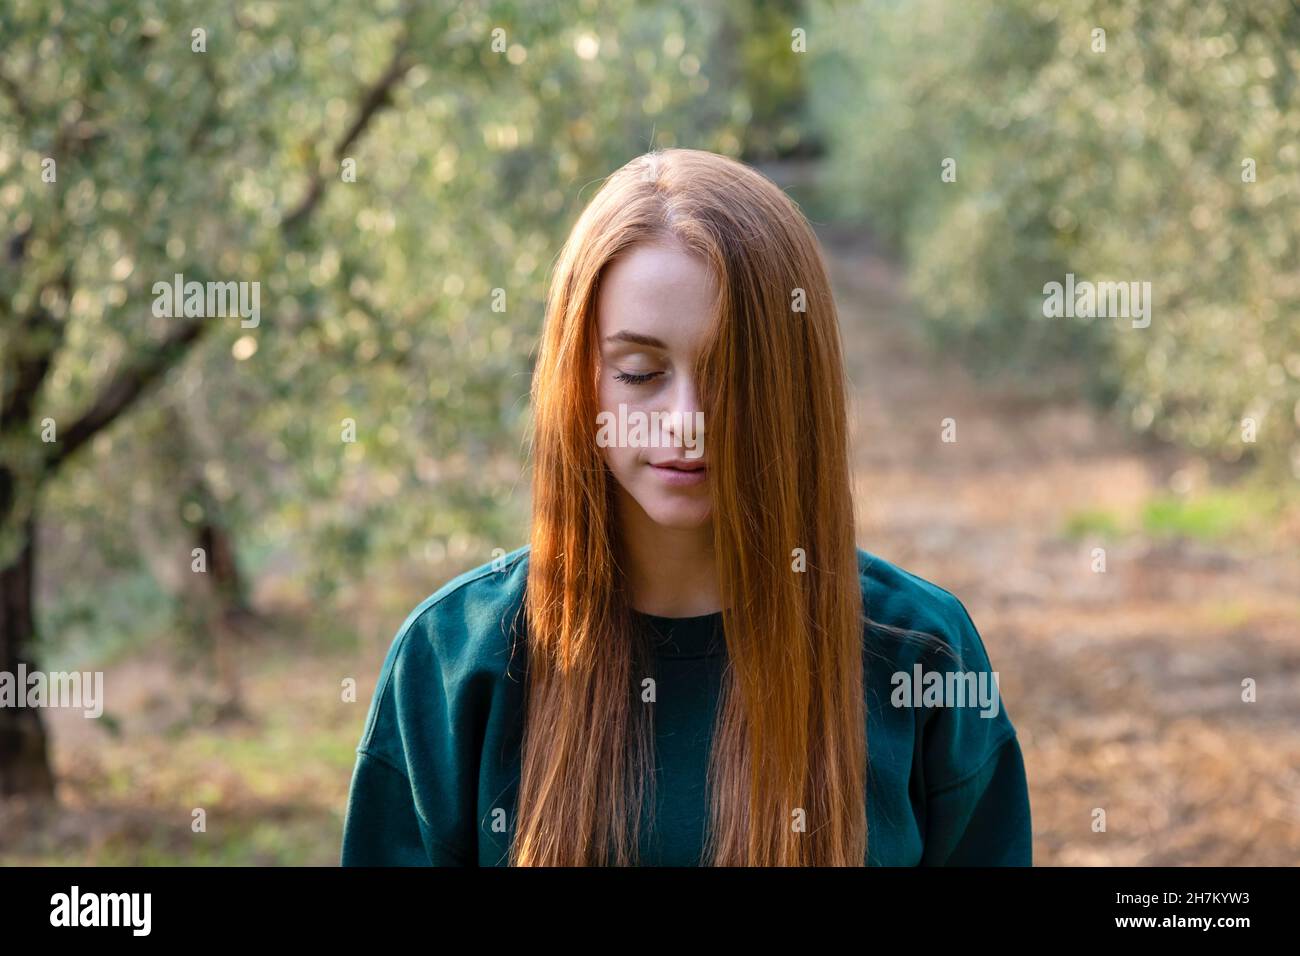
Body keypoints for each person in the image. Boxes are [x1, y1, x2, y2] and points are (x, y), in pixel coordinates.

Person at [340, 148, 1032, 866]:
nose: (686, 421)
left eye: (733, 372)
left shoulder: (923, 656)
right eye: (640, 373)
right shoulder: (451, 664)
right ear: (579, 380)